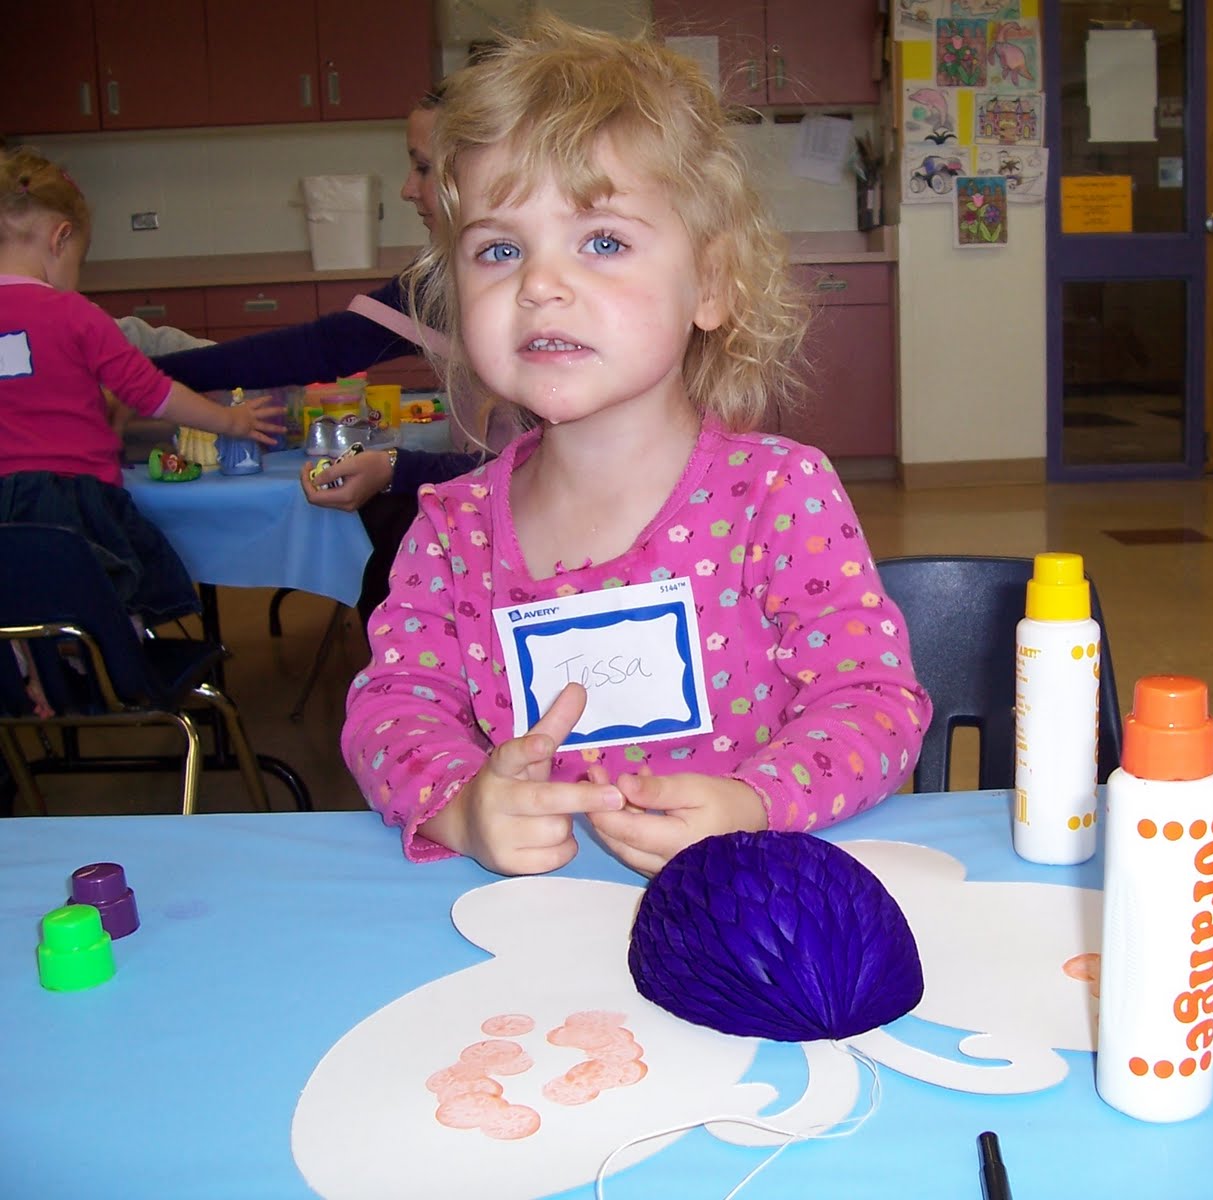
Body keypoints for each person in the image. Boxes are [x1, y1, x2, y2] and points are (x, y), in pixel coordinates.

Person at [341, 17, 931, 879]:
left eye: (604, 242)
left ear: (712, 284)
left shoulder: (777, 494)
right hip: (532, 935)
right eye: (501, 250)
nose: (540, 284)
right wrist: (462, 804)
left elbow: (873, 703)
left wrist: (757, 802)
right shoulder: (450, 533)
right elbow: (391, 709)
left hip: (742, 909)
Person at [150, 87, 485, 619]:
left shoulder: (531, 295)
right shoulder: (441, 280)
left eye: (423, 168)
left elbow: (523, 465)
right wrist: (144, 374)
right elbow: (320, 348)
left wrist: (397, 467)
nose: (406, 189)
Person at [0, 147, 283, 628]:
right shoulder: (76, 316)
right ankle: (119, 681)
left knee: (20, 611)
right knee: (115, 605)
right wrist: (231, 420)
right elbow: (152, 392)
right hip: (77, 507)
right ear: (61, 238)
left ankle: (31, 680)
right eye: (80, 261)